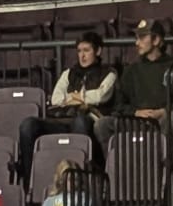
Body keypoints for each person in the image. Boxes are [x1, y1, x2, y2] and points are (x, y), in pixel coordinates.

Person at [19, 32, 113, 180]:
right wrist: (77, 97)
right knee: (28, 125)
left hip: (89, 118)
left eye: (87, 50)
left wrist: (74, 97)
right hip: (63, 118)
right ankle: (29, 182)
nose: (82, 56)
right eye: (79, 51)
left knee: (80, 122)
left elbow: (100, 96)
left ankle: (81, 180)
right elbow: (56, 99)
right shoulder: (68, 73)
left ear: (98, 51)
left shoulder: (108, 73)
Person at [101, 19, 173, 147]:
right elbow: (119, 103)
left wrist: (164, 111)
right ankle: (115, 164)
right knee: (102, 124)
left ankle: (163, 163)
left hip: (161, 119)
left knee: (169, 118)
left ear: (156, 40)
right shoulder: (132, 70)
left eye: (142, 38)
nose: (137, 43)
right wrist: (135, 112)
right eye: (136, 38)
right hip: (135, 119)